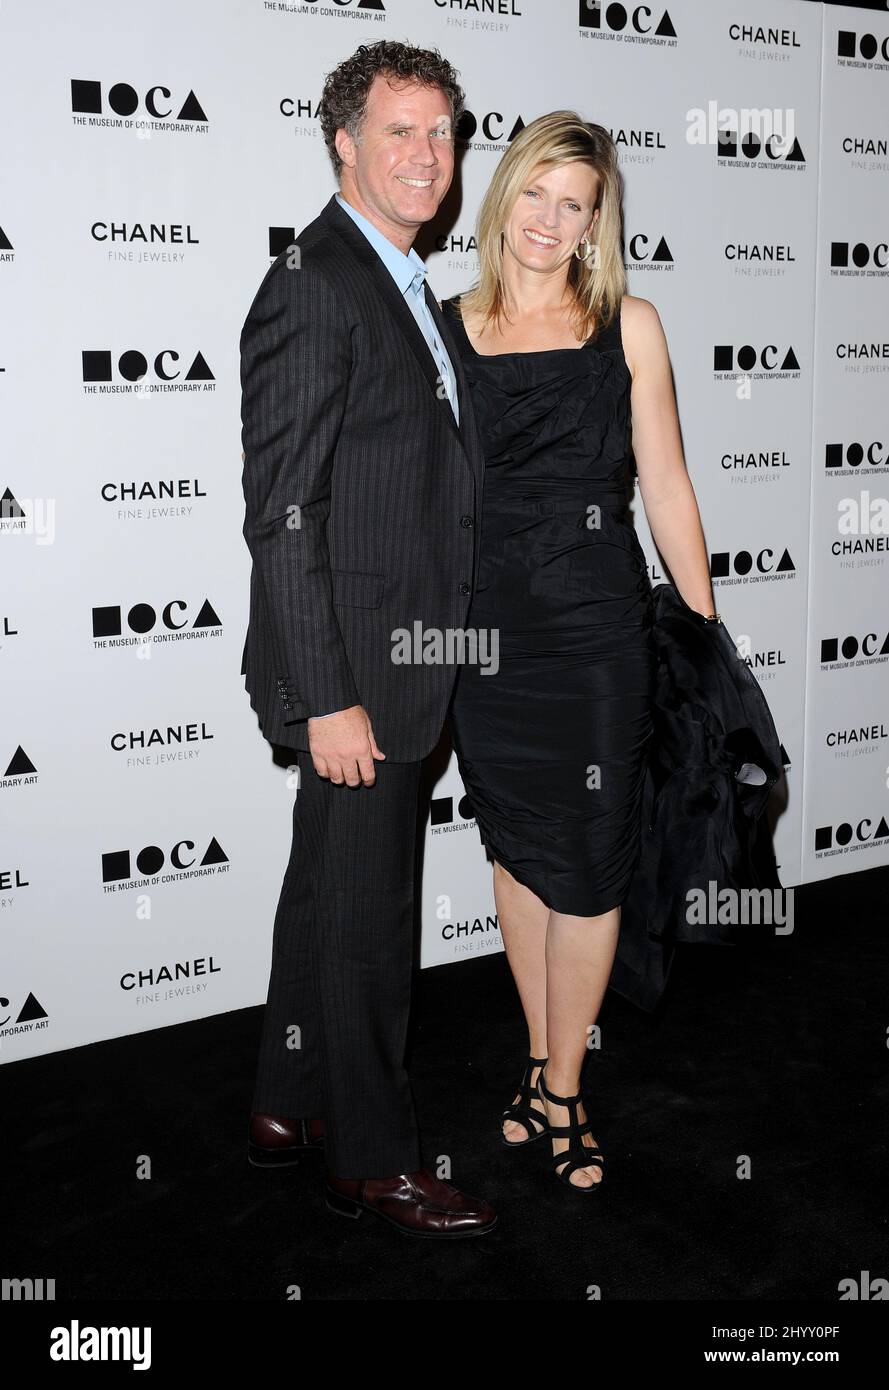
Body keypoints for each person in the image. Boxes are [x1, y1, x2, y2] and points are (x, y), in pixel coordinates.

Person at [239, 40, 496, 1238]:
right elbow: (284, 512)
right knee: (370, 915)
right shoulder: (317, 280)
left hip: (400, 653)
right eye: (398, 130)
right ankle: (372, 1162)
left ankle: (288, 1104)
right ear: (341, 140)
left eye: (441, 131)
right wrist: (328, 695)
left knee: (325, 892)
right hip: (355, 670)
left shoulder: (399, 274)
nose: (425, 155)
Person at [440, 112, 718, 1193]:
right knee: (515, 856)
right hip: (486, 645)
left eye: (577, 204)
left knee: (592, 870)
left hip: (598, 636)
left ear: (599, 223)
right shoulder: (445, 329)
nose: (551, 221)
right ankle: (535, 1063)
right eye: (538, 194)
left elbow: (670, 488)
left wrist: (697, 635)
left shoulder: (628, 325)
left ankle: (563, 1087)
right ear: (504, 194)